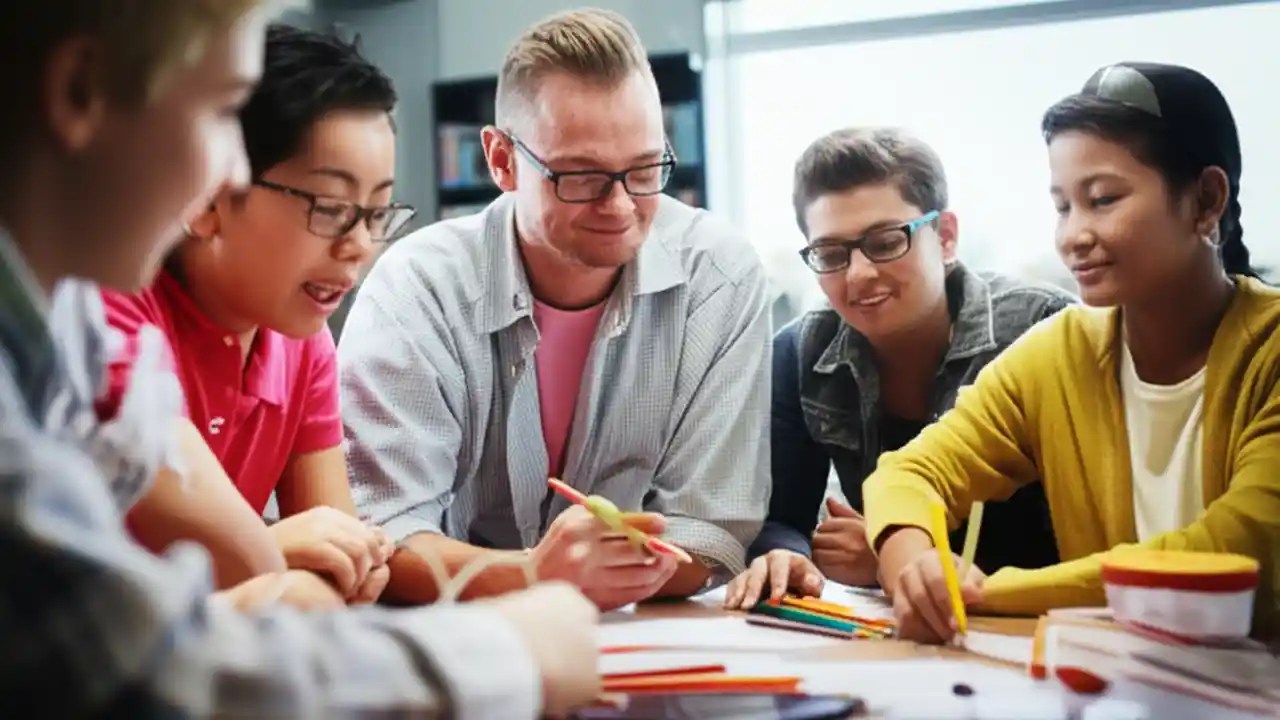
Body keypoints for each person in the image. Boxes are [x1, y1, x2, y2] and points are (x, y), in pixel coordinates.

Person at [0, 2, 600, 715]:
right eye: (223, 112)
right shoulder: (92, 312)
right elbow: (140, 662)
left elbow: (333, 580)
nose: (225, 172)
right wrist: (511, 654)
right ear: (81, 92)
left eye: (377, 213)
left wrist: (257, 592)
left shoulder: (58, 322)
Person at [339, 8, 771, 610]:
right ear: (501, 161)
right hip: (456, 638)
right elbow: (385, 539)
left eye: (647, 168)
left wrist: (590, 573)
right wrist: (536, 575)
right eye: (580, 176)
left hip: (641, 641)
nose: (620, 205)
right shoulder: (416, 289)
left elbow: (713, 529)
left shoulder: (719, 277)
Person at [865, 62, 1280, 643]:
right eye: (1063, 206)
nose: (1072, 235)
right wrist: (915, 566)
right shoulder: (1060, 352)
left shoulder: (1270, 353)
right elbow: (908, 473)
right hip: (1117, 687)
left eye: (1103, 199)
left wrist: (987, 591)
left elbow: (1235, 551)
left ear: (1207, 200)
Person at [100, 24, 411, 602]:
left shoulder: (304, 341)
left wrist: (310, 560)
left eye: (377, 214)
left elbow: (345, 569)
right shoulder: (113, 299)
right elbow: (237, 560)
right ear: (210, 197)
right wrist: (280, 552)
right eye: (332, 208)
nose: (360, 245)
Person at [724, 128, 1071, 609]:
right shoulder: (801, 351)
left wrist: (892, 554)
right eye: (830, 254)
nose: (859, 274)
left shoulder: (1044, 330)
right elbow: (781, 516)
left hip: (1045, 626)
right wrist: (786, 556)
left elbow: (1073, 539)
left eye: (886, 242)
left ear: (945, 237)